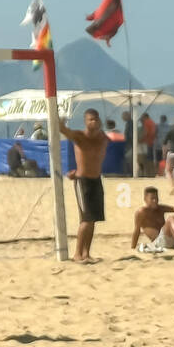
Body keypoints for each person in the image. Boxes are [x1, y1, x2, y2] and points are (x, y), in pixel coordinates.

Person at [59, 108, 109, 263]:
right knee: (86, 219)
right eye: (90, 119)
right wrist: (62, 115)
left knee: (93, 220)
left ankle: (87, 253)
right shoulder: (80, 136)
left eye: (96, 119)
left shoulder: (102, 137)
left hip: (96, 180)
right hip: (83, 181)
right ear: (85, 121)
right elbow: (62, 130)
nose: (93, 122)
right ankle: (77, 254)